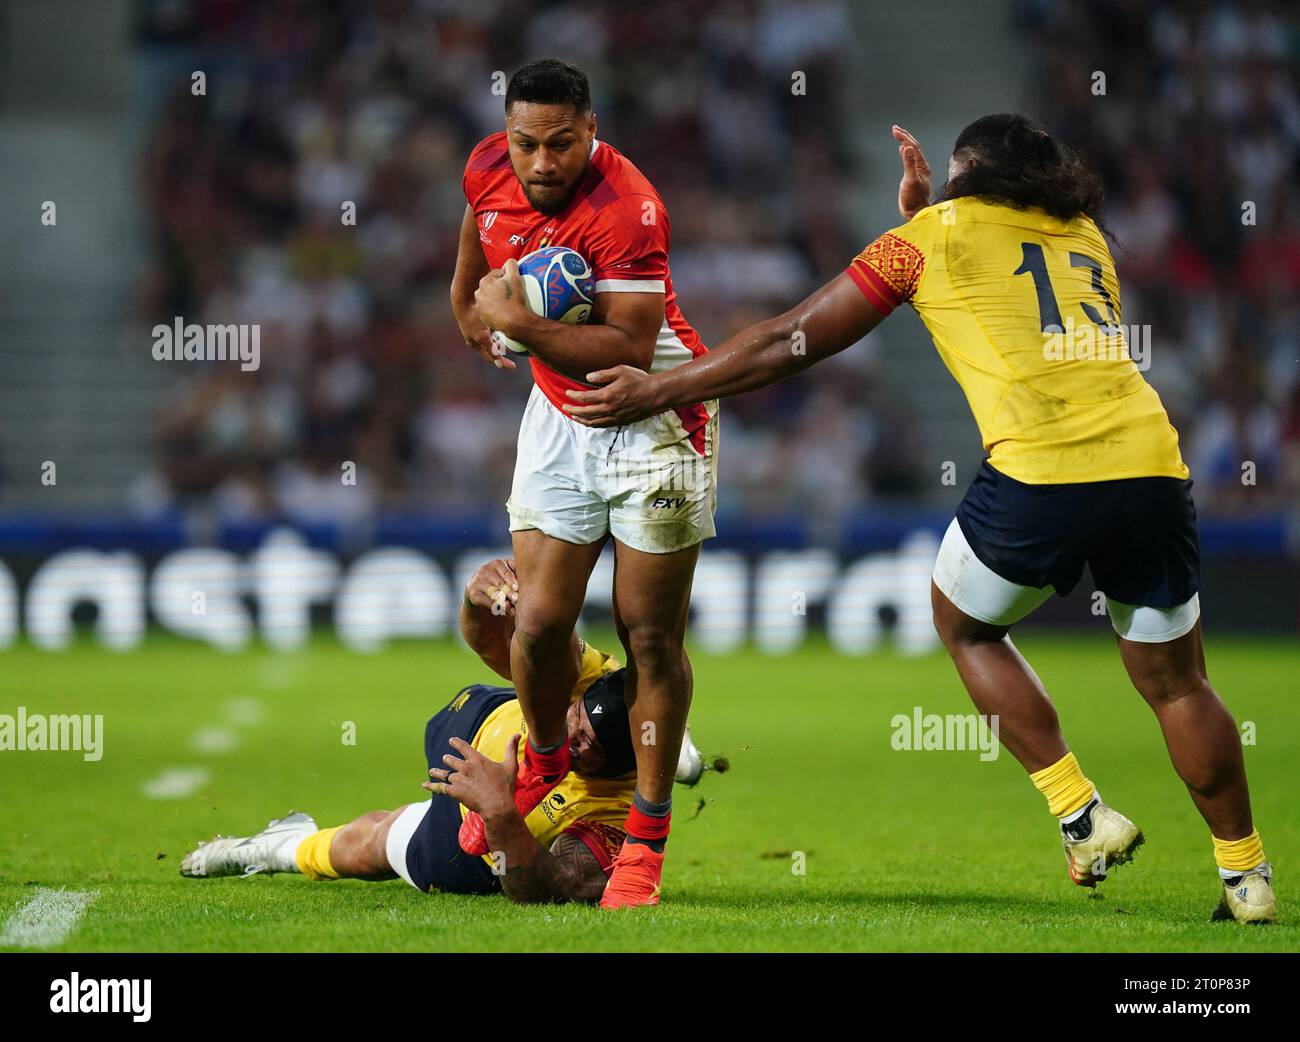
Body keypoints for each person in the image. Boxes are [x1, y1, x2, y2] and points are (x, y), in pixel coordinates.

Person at [563, 115, 1276, 924]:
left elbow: (789, 340)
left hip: (1041, 472)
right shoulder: (1084, 236)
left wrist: (660, 387)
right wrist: (928, 214)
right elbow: (1002, 271)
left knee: (964, 624)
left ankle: (1081, 814)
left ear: (965, 173)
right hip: (1151, 465)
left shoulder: (924, 241)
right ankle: (1246, 874)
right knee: (1180, 684)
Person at [451, 58, 718, 907]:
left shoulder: (629, 207)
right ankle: (543, 760)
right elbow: (478, 234)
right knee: (535, 624)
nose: (542, 162)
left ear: (592, 130)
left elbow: (629, 348)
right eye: (526, 143)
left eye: (561, 143)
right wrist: (465, 304)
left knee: (648, 639)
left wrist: (516, 322)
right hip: (561, 420)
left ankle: (645, 842)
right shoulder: (488, 165)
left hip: (653, 421)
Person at [180, 558, 708, 903]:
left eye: (589, 748)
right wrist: (476, 600)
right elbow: (493, 642)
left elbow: (543, 890)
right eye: (577, 721)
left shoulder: (612, 817)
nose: (575, 738)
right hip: (473, 718)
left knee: (372, 843)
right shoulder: (600, 677)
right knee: (546, 639)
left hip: (473, 836)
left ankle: (278, 849)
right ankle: (668, 737)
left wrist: (498, 811)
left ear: (621, 769)